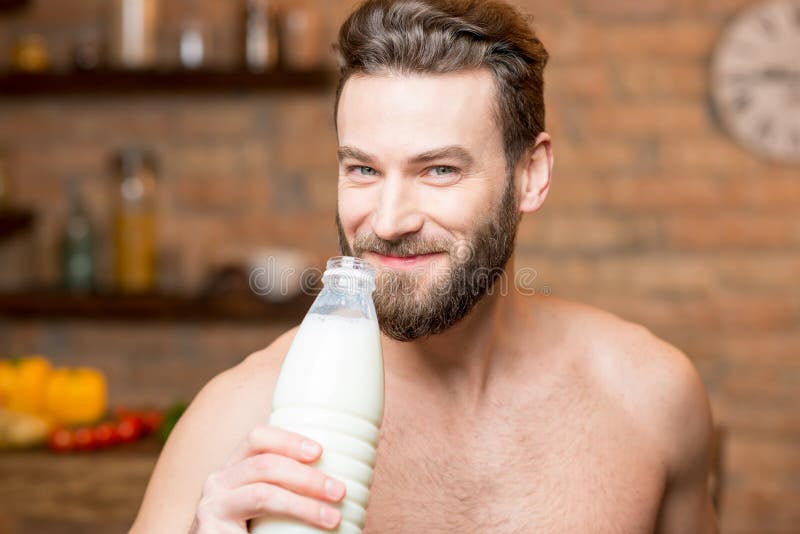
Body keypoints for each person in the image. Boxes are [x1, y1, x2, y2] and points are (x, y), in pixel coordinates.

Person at [131, 0, 719, 532]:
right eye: (363, 169)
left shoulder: (650, 398)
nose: (387, 221)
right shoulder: (237, 422)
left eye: (439, 170)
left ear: (531, 174)